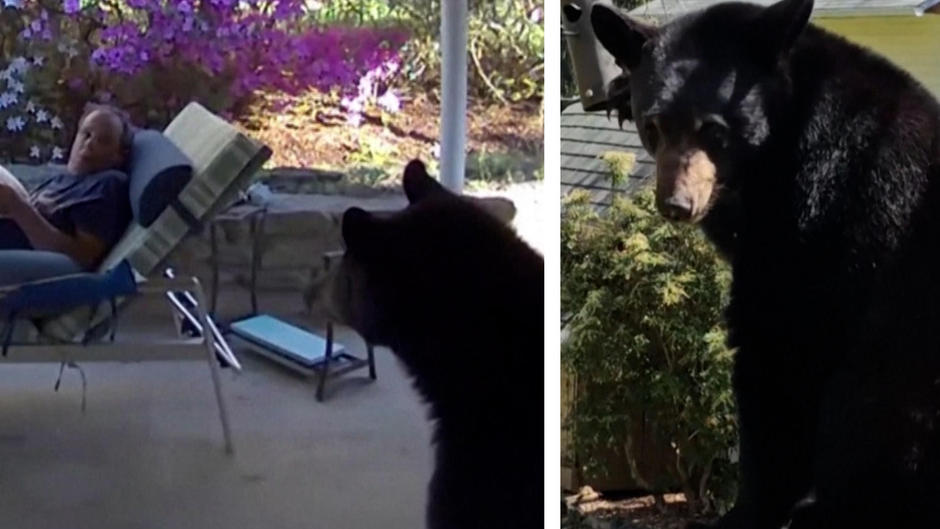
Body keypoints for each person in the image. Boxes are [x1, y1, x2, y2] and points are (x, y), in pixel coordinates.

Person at [0, 104, 134, 273]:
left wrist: (17, 206)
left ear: (118, 155)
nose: (89, 143)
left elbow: (81, 258)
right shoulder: (62, 178)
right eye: (86, 134)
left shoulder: (107, 184)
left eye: (103, 141)